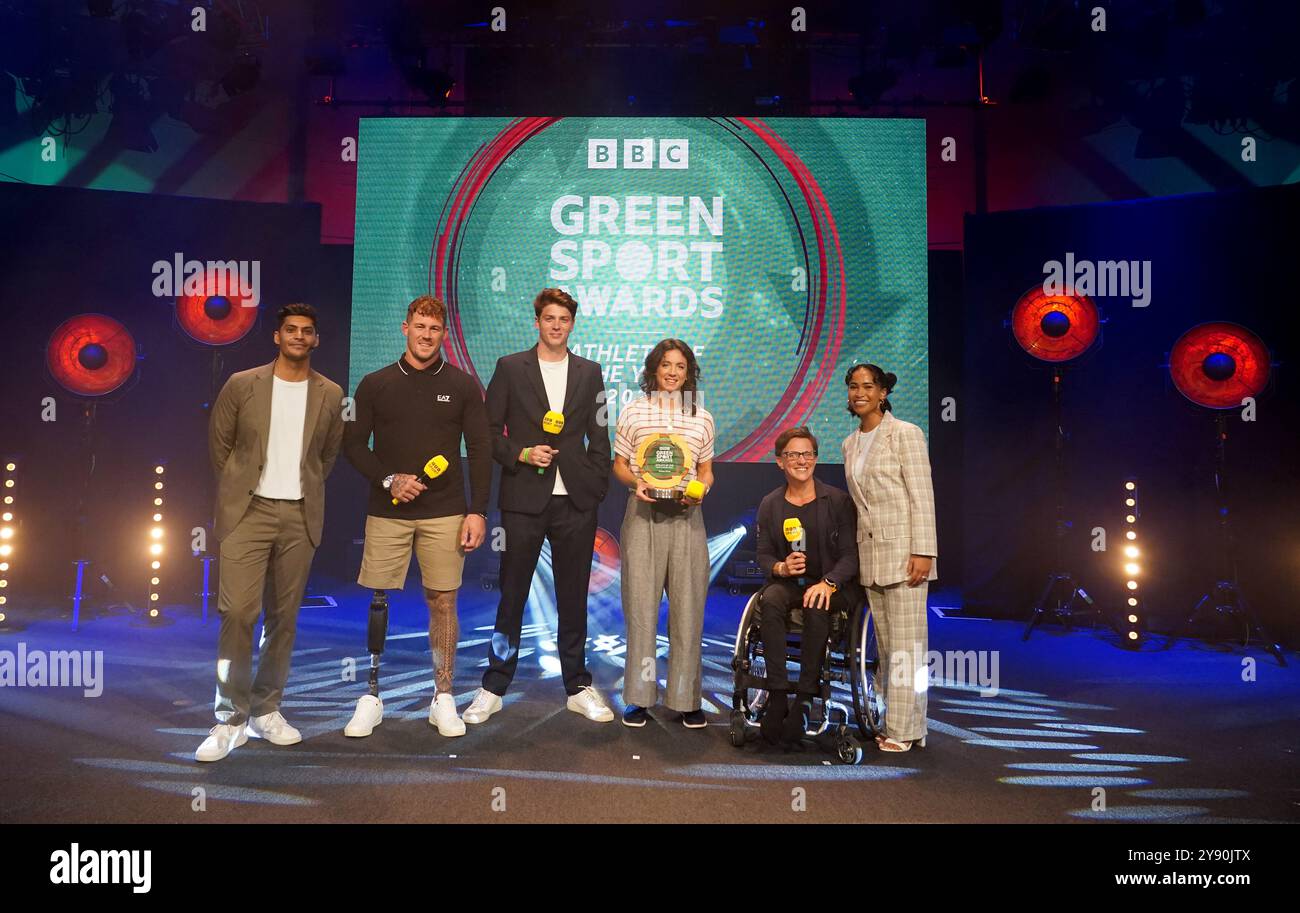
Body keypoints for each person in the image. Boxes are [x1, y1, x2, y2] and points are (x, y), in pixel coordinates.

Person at [197, 303, 345, 762]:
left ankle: (266, 710)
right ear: (277, 337)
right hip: (248, 513)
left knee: (284, 620)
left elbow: (327, 457)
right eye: (291, 330)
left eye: (308, 331)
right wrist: (243, 491)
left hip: (300, 516)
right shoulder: (243, 384)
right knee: (239, 613)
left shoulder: (330, 392)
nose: (299, 336)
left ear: (316, 340)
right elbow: (220, 446)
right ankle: (230, 719)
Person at [462, 288, 615, 725]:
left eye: (564, 319)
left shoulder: (590, 372)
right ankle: (494, 685)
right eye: (549, 318)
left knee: (573, 597)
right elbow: (489, 434)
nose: (556, 325)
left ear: (572, 324)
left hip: (577, 501)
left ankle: (577, 685)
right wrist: (522, 455)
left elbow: (600, 436)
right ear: (537, 322)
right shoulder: (511, 368)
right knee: (512, 596)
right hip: (524, 499)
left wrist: (596, 485)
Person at [341, 295, 490, 739]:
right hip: (387, 509)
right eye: (420, 327)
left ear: (443, 335)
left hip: (446, 512)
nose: (427, 336)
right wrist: (390, 479)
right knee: (378, 597)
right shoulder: (375, 383)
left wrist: (478, 510)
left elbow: (480, 451)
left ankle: (443, 697)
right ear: (405, 328)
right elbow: (353, 446)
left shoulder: (463, 386)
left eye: (435, 329)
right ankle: (371, 696)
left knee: (443, 601)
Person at [613, 339, 715, 729]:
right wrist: (634, 483)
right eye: (666, 365)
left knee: (689, 610)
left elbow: (706, 470)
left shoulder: (701, 417)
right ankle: (639, 697)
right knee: (641, 609)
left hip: (687, 518)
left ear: (688, 373)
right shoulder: (634, 412)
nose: (673, 372)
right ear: (653, 369)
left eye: (681, 366)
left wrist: (703, 487)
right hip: (643, 516)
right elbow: (619, 464)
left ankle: (687, 700)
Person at [841, 364, 937, 752]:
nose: (859, 393)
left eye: (868, 386)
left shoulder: (906, 434)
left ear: (883, 393)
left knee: (907, 648)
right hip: (872, 558)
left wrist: (924, 551)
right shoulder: (850, 443)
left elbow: (922, 495)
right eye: (853, 387)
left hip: (906, 554)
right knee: (886, 646)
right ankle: (898, 721)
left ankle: (907, 731)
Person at [754, 426, 863, 745]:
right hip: (792, 582)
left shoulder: (838, 501)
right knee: (770, 599)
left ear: (815, 458)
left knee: (817, 605)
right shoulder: (771, 504)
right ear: (779, 462)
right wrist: (780, 567)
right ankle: (777, 695)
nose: (801, 460)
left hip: (832, 586)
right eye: (793, 454)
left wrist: (828, 583)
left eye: (807, 454)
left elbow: (850, 556)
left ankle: (804, 698)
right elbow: (763, 555)